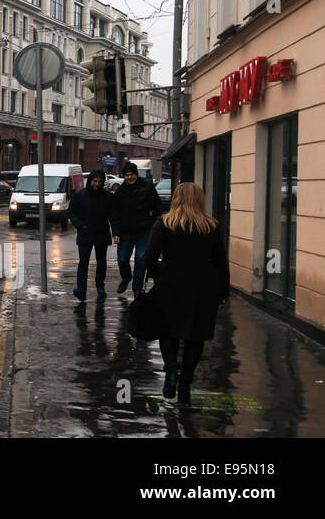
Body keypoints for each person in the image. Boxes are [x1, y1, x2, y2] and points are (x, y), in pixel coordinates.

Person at [144, 182, 229, 405]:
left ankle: (171, 370)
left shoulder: (164, 223)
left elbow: (149, 255)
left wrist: (157, 273)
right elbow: (221, 263)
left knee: (169, 330)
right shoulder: (211, 226)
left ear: (176, 198)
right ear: (200, 199)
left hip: (171, 283)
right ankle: (185, 384)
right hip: (204, 286)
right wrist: (223, 292)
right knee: (196, 335)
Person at [111, 161, 164, 296]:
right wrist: (116, 232)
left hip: (144, 231)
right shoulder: (120, 192)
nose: (129, 177)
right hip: (125, 232)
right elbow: (114, 214)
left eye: (132, 174)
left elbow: (158, 208)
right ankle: (126, 277)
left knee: (141, 259)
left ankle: (137, 289)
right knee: (122, 259)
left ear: (136, 174)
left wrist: (151, 224)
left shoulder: (148, 188)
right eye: (127, 175)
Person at [69, 168, 114, 302]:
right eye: (94, 181)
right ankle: (81, 288)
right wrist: (80, 225)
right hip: (85, 232)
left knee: (101, 262)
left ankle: (100, 286)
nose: (97, 184)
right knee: (83, 262)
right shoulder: (79, 195)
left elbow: (113, 215)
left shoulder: (107, 196)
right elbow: (71, 212)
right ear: (90, 181)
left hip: (102, 232)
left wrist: (116, 233)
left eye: (100, 182)